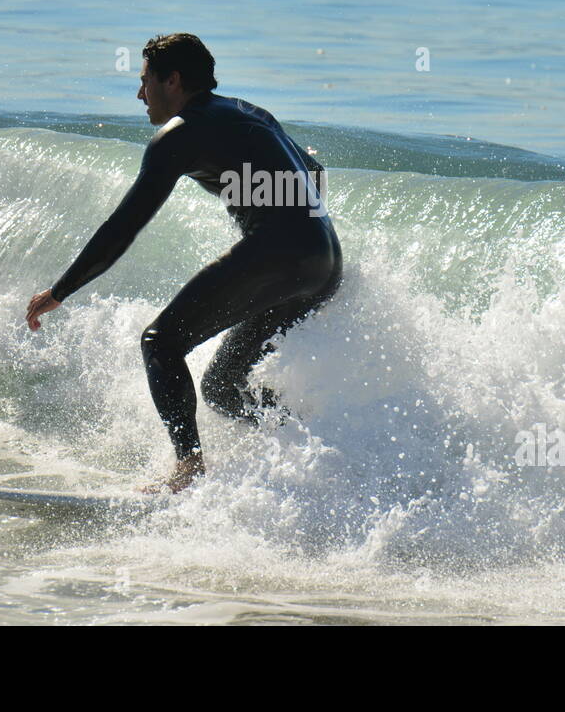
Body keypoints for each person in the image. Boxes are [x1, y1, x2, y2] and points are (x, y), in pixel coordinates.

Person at [25, 34, 343, 493]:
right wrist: (284, 223)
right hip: (324, 261)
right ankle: (322, 447)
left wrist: (60, 291)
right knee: (224, 387)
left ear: (172, 80)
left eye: (144, 82)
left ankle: (188, 472)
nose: (140, 95)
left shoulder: (179, 133)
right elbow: (313, 174)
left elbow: (124, 225)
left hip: (279, 253)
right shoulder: (249, 111)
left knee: (161, 341)